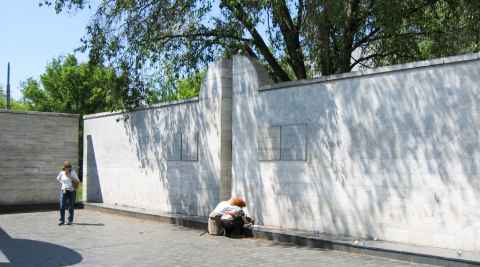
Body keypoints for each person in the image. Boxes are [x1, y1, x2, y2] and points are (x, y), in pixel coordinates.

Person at [56, 161, 80, 226]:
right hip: (64, 190)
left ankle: (70, 220)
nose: (67, 168)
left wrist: (70, 176)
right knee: (62, 206)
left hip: (71, 191)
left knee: (71, 206)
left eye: (69, 167)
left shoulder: (73, 172)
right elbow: (58, 178)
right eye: (66, 167)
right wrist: (63, 184)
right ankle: (62, 220)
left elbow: (78, 181)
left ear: (70, 167)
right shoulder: (62, 173)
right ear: (64, 167)